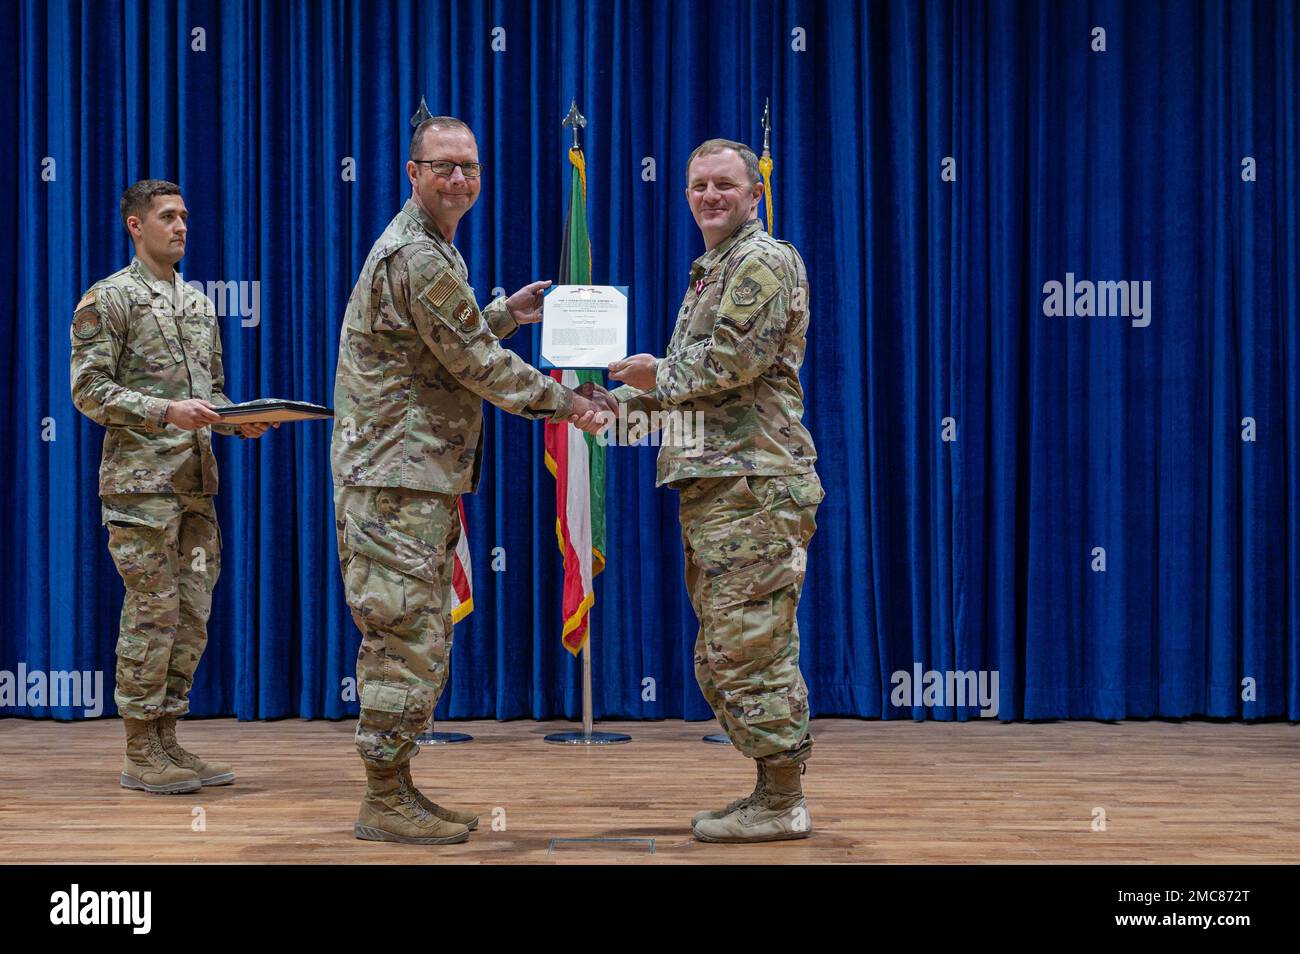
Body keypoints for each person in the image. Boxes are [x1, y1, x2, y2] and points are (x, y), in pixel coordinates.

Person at [331, 112, 601, 845]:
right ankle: (384, 797)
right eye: (443, 166)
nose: (459, 179)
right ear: (412, 174)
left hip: (408, 477)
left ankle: (396, 789)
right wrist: (571, 403)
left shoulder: (431, 251)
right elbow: (475, 366)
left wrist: (505, 315)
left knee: (413, 636)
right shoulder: (418, 257)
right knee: (403, 640)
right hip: (397, 482)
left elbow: (450, 344)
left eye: (470, 168)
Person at [575, 139, 823, 843]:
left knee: (751, 646)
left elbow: (730, 363)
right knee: (726, 649)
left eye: (724, 184)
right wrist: (610, 409)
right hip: (719, 486)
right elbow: (694, 390)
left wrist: (652, 375)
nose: (710, 195)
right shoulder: (711, 271)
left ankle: (782, 801)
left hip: (755, 485)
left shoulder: (763, 262)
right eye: (698, 185)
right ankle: (771, 792)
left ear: (755, 194)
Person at [70, 179, 273, 794]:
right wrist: (164, 412)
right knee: (152, 613)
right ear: (136, 225)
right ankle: (138, 750)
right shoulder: (109, 300)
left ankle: (167, 739)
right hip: (141, 490)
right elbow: (88, 391)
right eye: (167, 216)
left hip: (194, 488)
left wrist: (239, 420)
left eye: (185, 215)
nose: (181, 226)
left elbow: (208, 396)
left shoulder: (198, 305)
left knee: (192, 616)